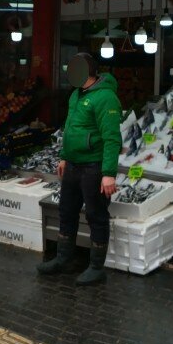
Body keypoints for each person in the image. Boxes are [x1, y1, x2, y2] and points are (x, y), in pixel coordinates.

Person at [37, 53, 121, 286]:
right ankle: (63, 259)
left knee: (96, 215)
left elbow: (112, 138)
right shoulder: (75, 94)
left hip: (93, 167)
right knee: (67, 210)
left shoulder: (106, 98)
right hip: (73, 165)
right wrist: (64, 157)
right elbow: (70, 128)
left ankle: (96, 267)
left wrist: (108, 174)